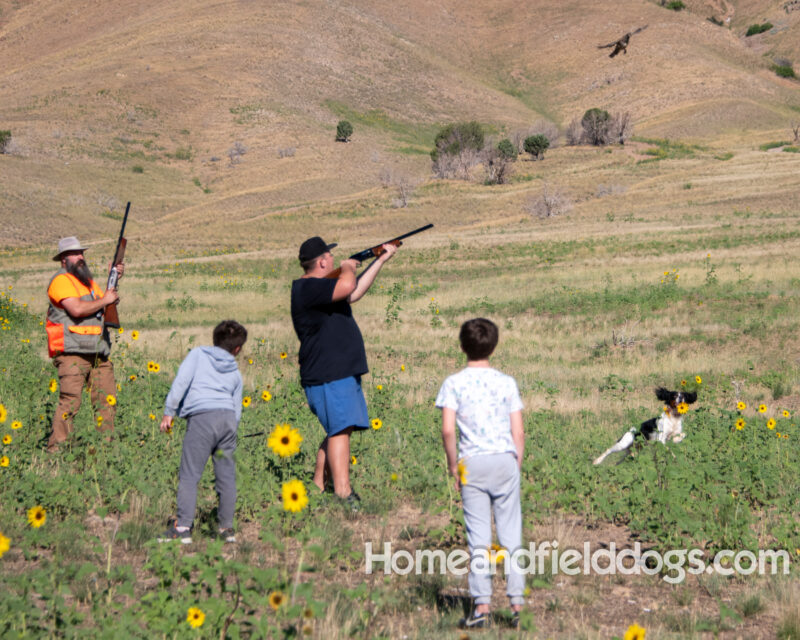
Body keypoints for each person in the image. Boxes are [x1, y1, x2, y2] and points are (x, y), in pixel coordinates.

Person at [290, 236, 397, 507]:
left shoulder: (321, 288)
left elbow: (352, 293)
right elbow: (348, 283)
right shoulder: (308, 288)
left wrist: (380, 260)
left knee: (339, 429)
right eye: (330, 256)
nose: (334, 260)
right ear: (322, 262)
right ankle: (343, 492)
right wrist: (349, 266)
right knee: (339, 430)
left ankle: (317, 487)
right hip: (329, 373)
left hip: (336, 372)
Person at [435, 318, 525, 629]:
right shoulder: (507, 382)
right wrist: (515, 463)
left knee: (479, 537)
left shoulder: (453, 383)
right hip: (504, 459)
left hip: (472, 462)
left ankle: (482, 607)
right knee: (511, 533)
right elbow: (518, 431)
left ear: (462, 346)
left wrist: (453, 465)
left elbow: (448, 430)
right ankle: (517, 606)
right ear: (494, 346)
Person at [158, 320, 247, 544]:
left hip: (202, 419)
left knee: (190, 474)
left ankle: (182, 528)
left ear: (214, 339)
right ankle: (226, 529)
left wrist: (169, 411)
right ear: (237, 349)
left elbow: (181, 382)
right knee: (226, 477)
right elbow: (237, 408)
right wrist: (230, 431)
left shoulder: (198, 355)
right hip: (227, 420)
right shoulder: (236, 372)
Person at [45, 236, 124, 452]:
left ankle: (105, 451)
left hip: (98, 353)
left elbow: (104, 304)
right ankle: (57, 453)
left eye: (81, 252)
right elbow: (77, 309)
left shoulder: (87, 282)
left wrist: (113, 279)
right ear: (63, 259)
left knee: (107, 402)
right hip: (72, 352)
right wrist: (106, 299)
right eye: (74, 253)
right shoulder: (61, 280)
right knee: (70, 403)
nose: (80, 257)